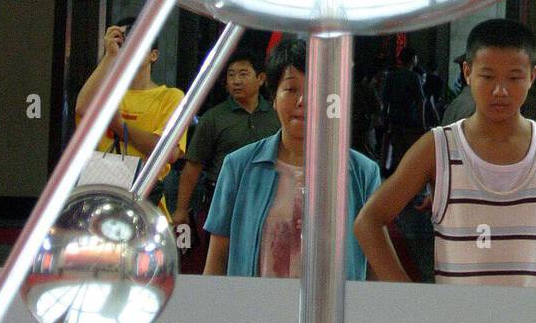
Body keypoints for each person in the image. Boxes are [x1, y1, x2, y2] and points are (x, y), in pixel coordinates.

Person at [355, 18, 536, 287]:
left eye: (514, 78)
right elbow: (369, 220)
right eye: (487, 76)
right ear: (467, 73)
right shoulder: (437, 148)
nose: (500, 90)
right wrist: (407, 296)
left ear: (532, 76)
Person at [203, 37, 381, 278]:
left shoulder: (362, 173)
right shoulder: (238, 167)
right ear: (273, 98)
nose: (303, 101)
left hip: (330, 314)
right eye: (291, 89)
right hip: (255, 311)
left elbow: (374, 265)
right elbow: (217, 261)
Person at [75, 17, 185, 219]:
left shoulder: (171, 96)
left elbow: (168, 152)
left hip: (147, 207)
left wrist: (118, 125)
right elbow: (82, 107)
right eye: (127, 42)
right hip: (103, 202)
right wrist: (110, 55)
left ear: (154, 55)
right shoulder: (108, 92)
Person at [170, 50, 277, 243]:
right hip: (222, 200)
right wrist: (181, 209)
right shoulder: (213, 118)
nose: (236, 80)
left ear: (261, 79)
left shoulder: (276, 116)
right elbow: (193, 166)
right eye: (231, 74)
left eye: (243, 74)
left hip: (269, 200)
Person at [380, 45, 426, 174]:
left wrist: (384, 118)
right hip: (410, 120)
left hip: (394, 120)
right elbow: (420, 102)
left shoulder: (391, 76)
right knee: (411, 153)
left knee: (397, 152)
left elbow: (385, 100)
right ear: (413, 59)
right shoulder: (414, 77)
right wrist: (422, 122)